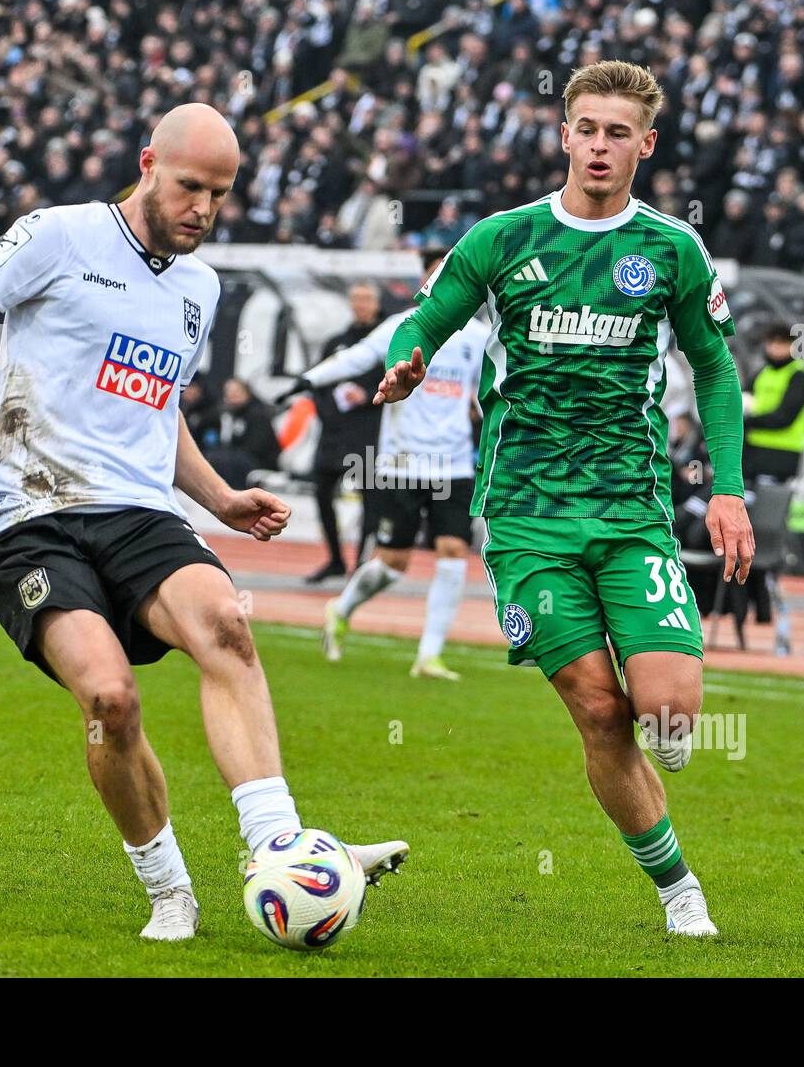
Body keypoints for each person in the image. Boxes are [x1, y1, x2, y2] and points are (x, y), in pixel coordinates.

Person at [0, 103, 407, 943]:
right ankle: (169, 888)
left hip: (138, 512)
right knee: (110, 698)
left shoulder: (200, 288)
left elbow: (157, 410)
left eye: (220, 192)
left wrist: (220, 499)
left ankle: (277, 845)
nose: (204, 206)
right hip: (30, 521)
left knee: (228, 628)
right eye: (190, 186)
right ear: (147, 164)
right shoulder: (58, 236)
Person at [376, 61, 754, 937]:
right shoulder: (502, 238)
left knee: (666, 714)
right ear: (563, 135)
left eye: (618, 132)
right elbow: (425, 317)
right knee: (596, 706)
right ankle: (677, 889)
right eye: (585, 128)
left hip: (633, 514)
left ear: (644, 145)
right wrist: (408, 360)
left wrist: (728, 490)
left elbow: (717, 367)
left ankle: (661, 722)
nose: (598, 145)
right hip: (527, 515)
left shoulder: (671, 249)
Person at [281, 248, 489, 680]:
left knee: (452, 553)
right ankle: (342, 608)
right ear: (427, 280)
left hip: (453, 464)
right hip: (403, 461)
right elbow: (357, 356)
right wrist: (309, 379)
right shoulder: (402, 327)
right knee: (393, 565)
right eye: (439, 273)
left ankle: (429, 656)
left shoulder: (477, 336)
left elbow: (490, 389)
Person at [304, 282, 385, 584]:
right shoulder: (336, 342)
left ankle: (361, 563)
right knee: (322, 491)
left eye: (367, 299)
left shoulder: (386, 343)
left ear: (376, 304)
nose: (361, 305)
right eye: (357, 299)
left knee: (370, 499)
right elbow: (317, 383)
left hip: (367, 435)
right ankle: (336, 559)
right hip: (333, 434)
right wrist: (330, 413)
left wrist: (366, 394)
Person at [742, 320, 804, 484]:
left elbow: (785, 416)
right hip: (753, 449)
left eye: (782, 343)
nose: (776, 347)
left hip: (783, 453)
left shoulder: (799, 375)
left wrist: (749, 421)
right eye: (772, 342)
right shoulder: (763, 372)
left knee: (766, 502)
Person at [196, 377, 282, 490]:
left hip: (259, 463)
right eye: (228, 392)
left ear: (247, 393)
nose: (232, 396)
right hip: (237, 458)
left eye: (236, 392)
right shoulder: (222, 414)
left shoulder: (258, 415)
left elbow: (255, 448)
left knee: (224, 460)